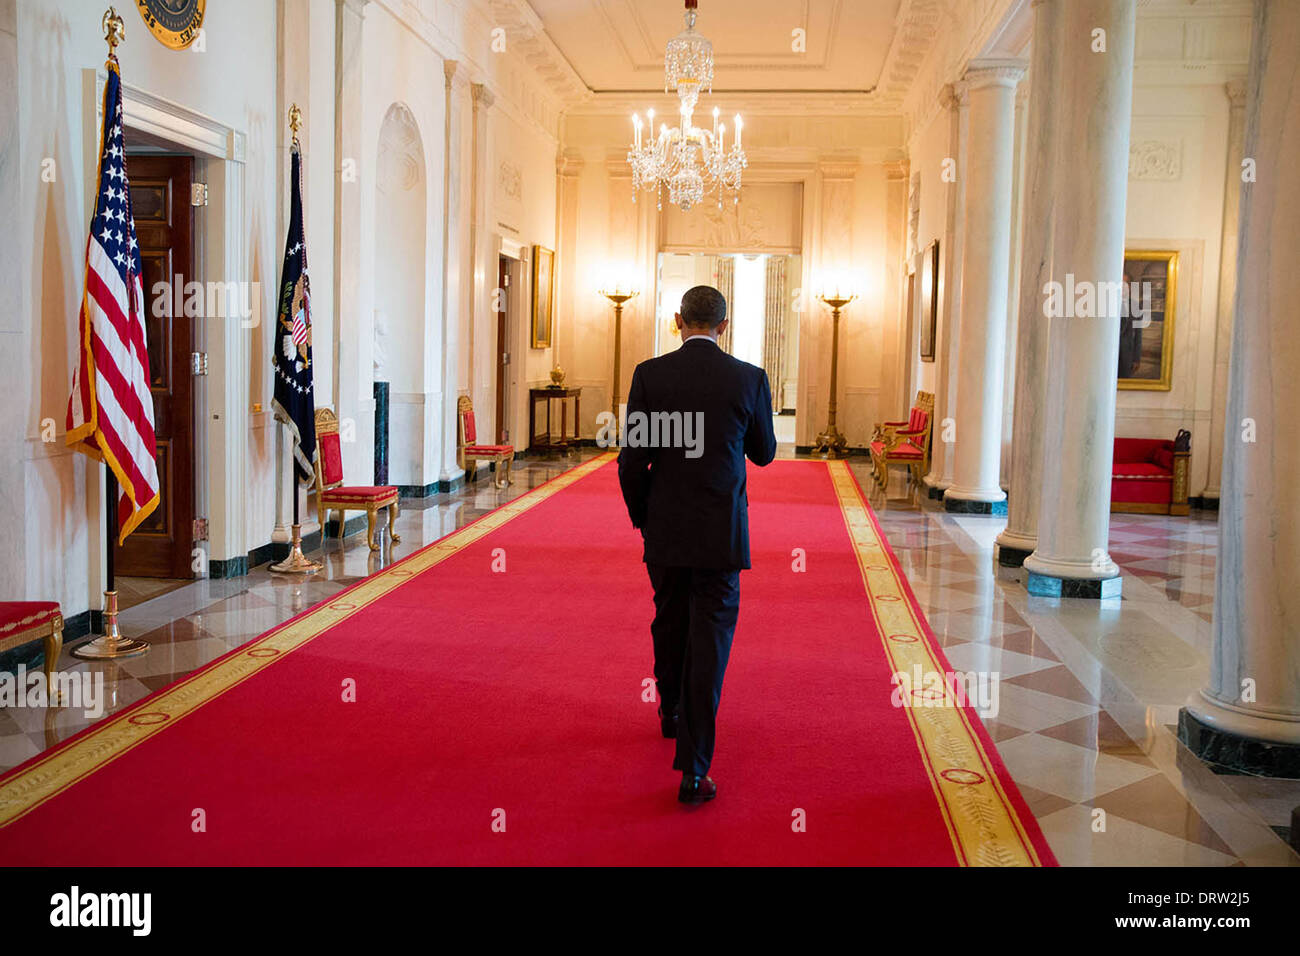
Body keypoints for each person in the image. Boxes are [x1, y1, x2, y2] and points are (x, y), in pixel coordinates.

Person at [617, 285, 778, 804]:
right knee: (710, 639)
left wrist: (644, 518)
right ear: (723, 326)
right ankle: (694, 767)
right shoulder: (749, 378)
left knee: (668, 617)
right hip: (720, 533)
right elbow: (765, 454)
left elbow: (630, 462)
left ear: (677, 321)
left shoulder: (650, 374)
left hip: (665, 528)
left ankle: (669, 711)